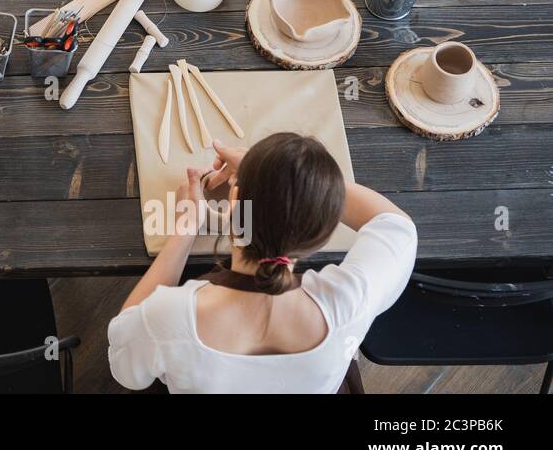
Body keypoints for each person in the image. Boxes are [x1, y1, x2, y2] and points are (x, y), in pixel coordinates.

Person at [109, 133, 418, 393]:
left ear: (234, 204)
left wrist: (186, 229)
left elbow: (125, 367)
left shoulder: (168, 317)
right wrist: (303, 185)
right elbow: (395, 225)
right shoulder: (350, 303)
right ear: (323, 235)